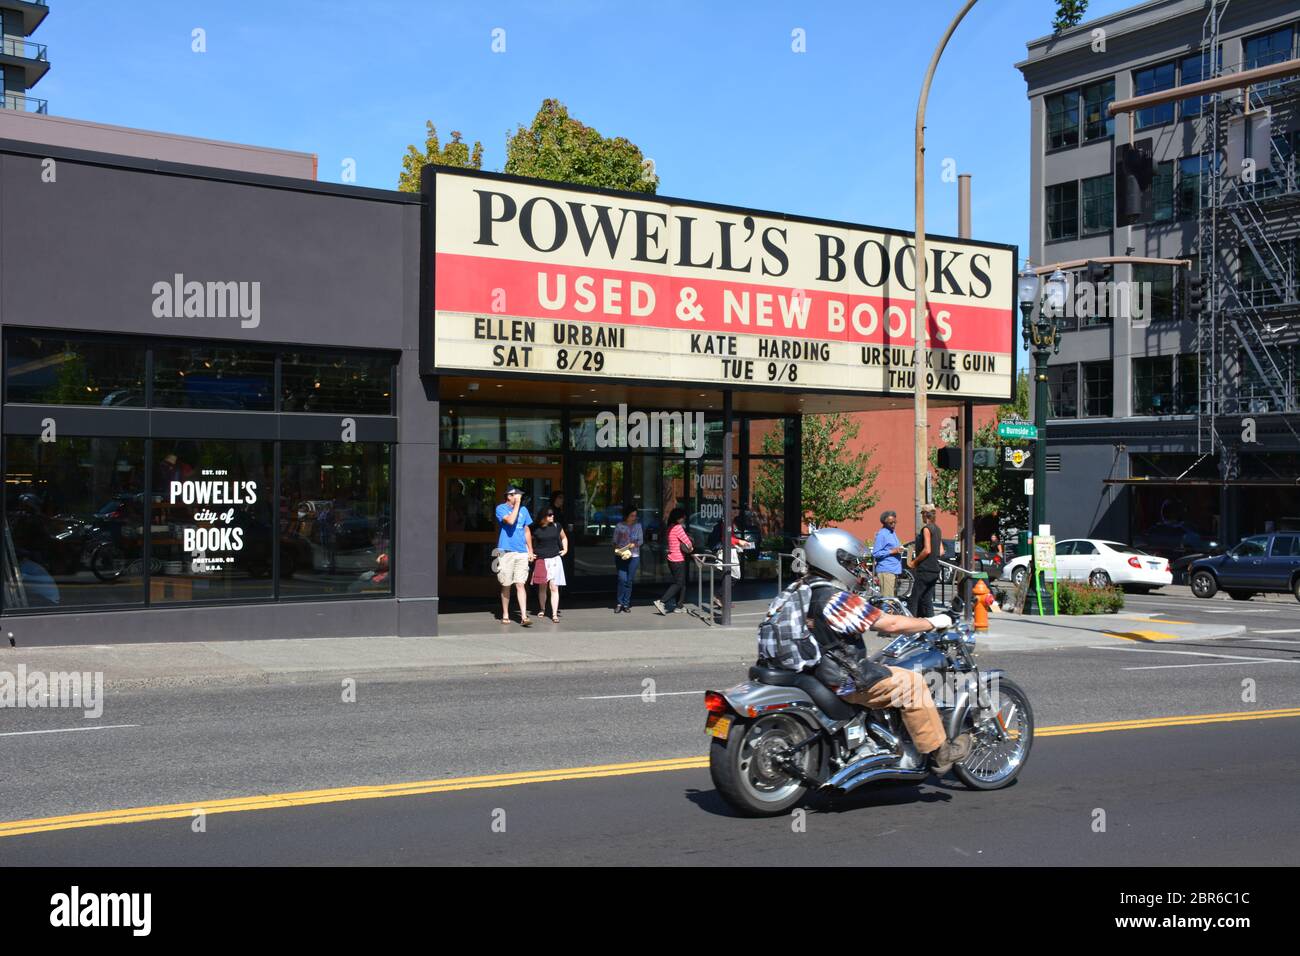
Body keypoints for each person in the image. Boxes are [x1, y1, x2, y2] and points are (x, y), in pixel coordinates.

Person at [796, 527, 972, 774]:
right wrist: (933, 622)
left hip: (811, 673)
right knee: (913, 683)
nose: (855, 568)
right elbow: (891, 623)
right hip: (842, 680)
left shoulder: (798, 590)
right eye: (849, 562)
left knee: (883, 668)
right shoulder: (836, 599)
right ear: (832, 560)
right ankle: (940, 752)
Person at [494, 486, 534, 626]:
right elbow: (510, 521)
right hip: (506, 551)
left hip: (521, 552)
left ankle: (524, 616)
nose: (518, 497)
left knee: (520, 583)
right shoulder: (501, 509)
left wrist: (530, 550)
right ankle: (505, 614)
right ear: (508, 496)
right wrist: (517, 504)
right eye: (515, 495)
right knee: (506, 584)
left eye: (519, 495)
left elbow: (526, 530)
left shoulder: (524, 510)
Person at [530, 506, 567, 622]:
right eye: (549, 515)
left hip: (555, 559)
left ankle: (554, 614)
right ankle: (542, 608)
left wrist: (565, 549)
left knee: (554, 587)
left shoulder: (557, 526)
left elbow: (564, 537)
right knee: (542, 586)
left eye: (553, 514)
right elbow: (527, 541)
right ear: (543, 516)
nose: (552, 516)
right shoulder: (535, 528)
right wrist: (530, 552)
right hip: (541, 559)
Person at [654, 508, 693, 615]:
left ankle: (679, 605)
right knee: (678, 583)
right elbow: (688, 542)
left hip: (671, 559)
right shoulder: (678, 528)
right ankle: (661, 601)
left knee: (682, 583)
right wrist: (691, 549)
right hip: (678, 559)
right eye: (683, 517)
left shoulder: (670, 527)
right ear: (678, 518)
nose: (684, 519)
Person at [907, 504, 943, 618]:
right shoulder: (937, 529)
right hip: (935, 569)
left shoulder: (927, 529)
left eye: (922, 514)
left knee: (915, 598)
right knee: (927, 599)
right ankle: (929, 625)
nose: (921, 516)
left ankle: (910, 626)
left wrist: (914, 562)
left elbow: (927, 550)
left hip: (925, 569)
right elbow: (941, 551)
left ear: (925, 515)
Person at [612, 507, 643, 613]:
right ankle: (619, 603)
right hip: (621, 555)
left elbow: (641, 540)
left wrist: (634, 544)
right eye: (632, 515)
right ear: (627, 516)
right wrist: (618, 550)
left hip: (634, 556)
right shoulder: (620, 526)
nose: (634, 518)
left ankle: (626, 604)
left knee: (629, 581)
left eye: (635, 515)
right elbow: (614, 541)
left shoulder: (638, 526)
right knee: (622, 579)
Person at [871, 510, 905, 597]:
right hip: (886, 570)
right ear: (885, 523)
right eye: (891, 523)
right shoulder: (882, 534)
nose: (893, 524)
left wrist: (899, 549)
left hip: (894, 570)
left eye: (895, 522)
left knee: (892, 600)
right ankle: (885, 611)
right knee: (887, 600)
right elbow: (876, 553)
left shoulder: (892, 533)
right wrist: (892, 551)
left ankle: (890, 611)